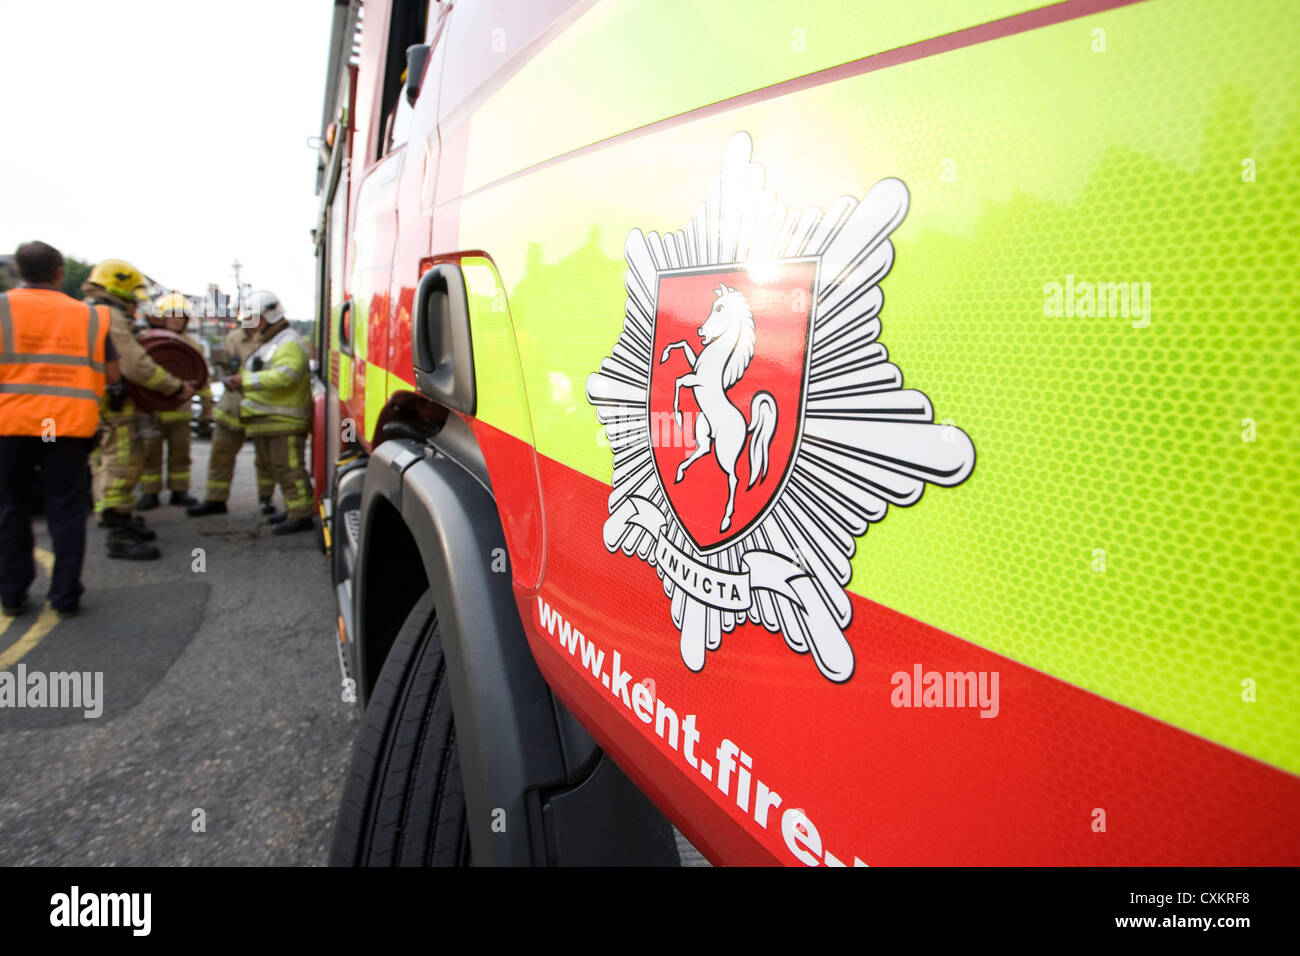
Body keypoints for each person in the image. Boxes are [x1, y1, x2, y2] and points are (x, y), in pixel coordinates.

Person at [0, 241, 113, 616]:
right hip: (62, 427)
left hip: (12, 425)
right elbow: (112, 373)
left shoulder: (2, 307)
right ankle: (65, 596)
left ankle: (12, 593)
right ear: (60, 272)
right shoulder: (91, 316)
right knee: (65, 508)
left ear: (18, 271)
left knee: (11, 506)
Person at [83, 259, 196, 559]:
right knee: (122, 463)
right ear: (119, 287)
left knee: (107, 463)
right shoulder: (109, 315)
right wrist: (174, 386)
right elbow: (135, 364)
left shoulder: (90, 311)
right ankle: (119, 533)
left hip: (101, 402)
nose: (134, 301)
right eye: (132, 294)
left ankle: (115, 517)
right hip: (115, 406)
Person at [227, 291, 314, 535]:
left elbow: (287, 375)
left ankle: (301, 515)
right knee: (280, 469)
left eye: (254, 319)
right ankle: (293, 510)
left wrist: (244, 380)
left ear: (268, 316)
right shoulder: (271, 342)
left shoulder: (287, 341)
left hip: (284, 421)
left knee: (289, 469)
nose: (251, 325)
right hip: (272, 421)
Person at [187, 322, 277, 516]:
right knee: (220, 457)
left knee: (265, 460)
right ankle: (215, 499)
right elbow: (228, 367)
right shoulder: (233, 338)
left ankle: (266, 500)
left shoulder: (272, 339)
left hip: (259, 409)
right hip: (230, 408)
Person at [136, 292, 206, 510]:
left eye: (180, 316)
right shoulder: (148, 340)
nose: (175, 320)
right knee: (150, 454)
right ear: (162, 317)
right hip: (152, 410)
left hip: (180, 410)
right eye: (171, 316)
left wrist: (207, 410)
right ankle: (150, 494)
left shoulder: (194, 346)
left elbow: (202, 379)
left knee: (181, 454)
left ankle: (179, 490)